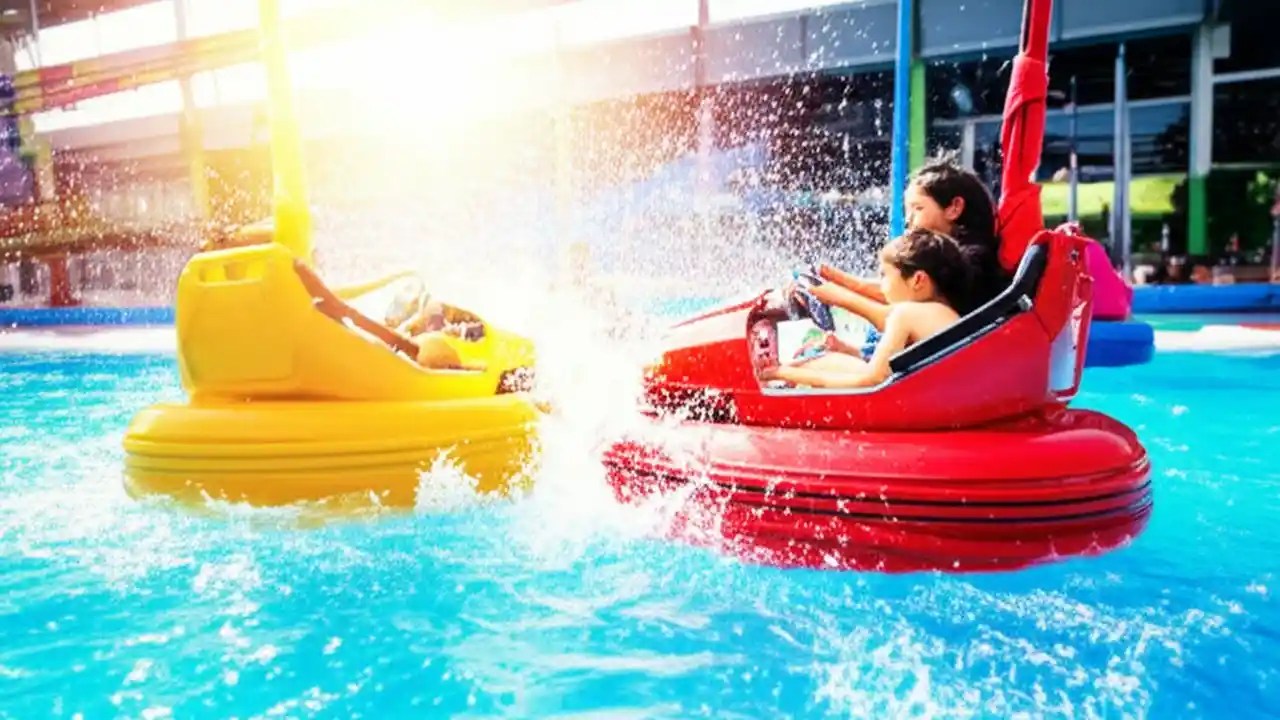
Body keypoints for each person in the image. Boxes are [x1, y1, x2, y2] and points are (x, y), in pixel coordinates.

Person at [807, 159, 1006, 334]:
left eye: (917, 208)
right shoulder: (953, 257)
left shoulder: (971, 263)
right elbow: (904, 287)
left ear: (954, 208)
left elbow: (906, 310)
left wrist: (839, 296)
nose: (908, 220)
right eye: (907, 210)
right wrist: (838, 280)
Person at [762, 229, 970, 389]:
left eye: (884, 276)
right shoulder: (945, 313)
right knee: (837, 359)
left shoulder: (905, 314)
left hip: (924, 410)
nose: (881, 287)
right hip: (940, 399)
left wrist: (783, 372)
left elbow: (873, 382)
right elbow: (899, 368)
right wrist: (851, 351)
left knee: (826, 361)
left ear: (918, 280)